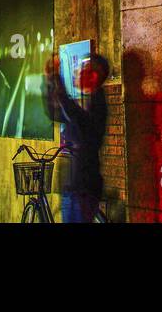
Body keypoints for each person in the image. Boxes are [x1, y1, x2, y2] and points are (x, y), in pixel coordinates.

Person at [43, 52, 108, 223]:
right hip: (72, 187)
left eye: (81, 68)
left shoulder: (97, 104)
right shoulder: (84, 101)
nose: (76, 71)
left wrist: (56, 78)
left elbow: (73, 114)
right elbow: (54, 113)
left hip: (84, 189)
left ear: (93, 76)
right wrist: (50, 80)